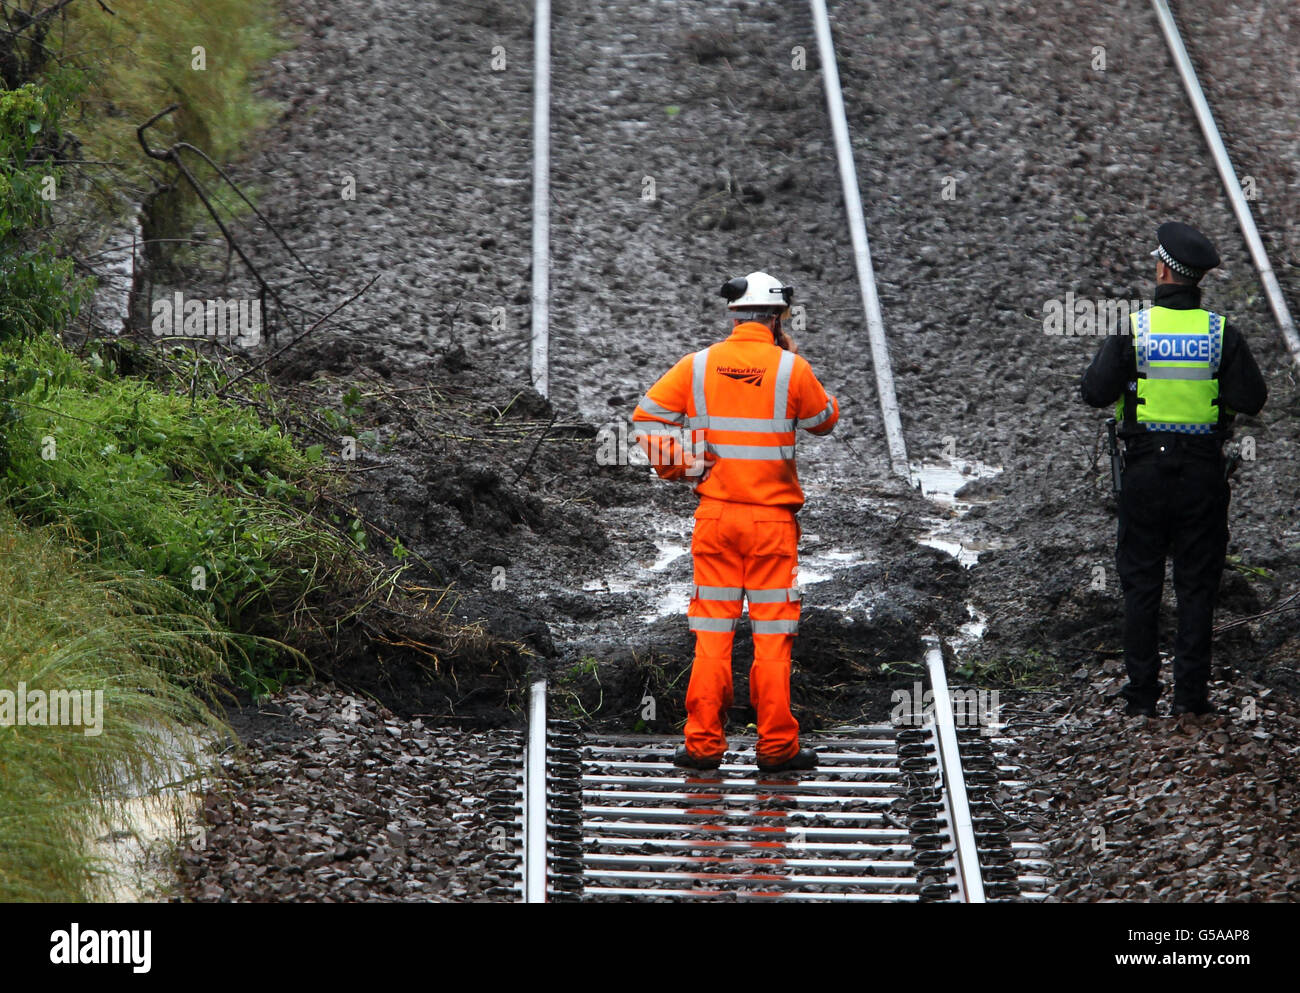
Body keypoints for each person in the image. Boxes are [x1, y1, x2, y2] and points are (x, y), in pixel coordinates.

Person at [632, 271, 839, 770]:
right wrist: (785, 359)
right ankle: (776, 748)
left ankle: (703, 746)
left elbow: (646, 418)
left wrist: (685, 464)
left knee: (713, 631)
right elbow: (824, 422)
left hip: (716, 519)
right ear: (776, 317)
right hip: (771, 524)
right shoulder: (792, 368)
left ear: (734, 315)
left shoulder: (698, 365)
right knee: (772, 635)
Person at [1081, 222, 1267, 717]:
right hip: (1202, 475)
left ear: (1162, 269)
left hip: (1144, 472)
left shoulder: (1134, 329)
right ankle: (1190, 697)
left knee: (1141, 583)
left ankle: (1141, 697)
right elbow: (1252, 398)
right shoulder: (1220, 333)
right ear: (1195, 279)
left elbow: (1095, 392)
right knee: (1196, 584)